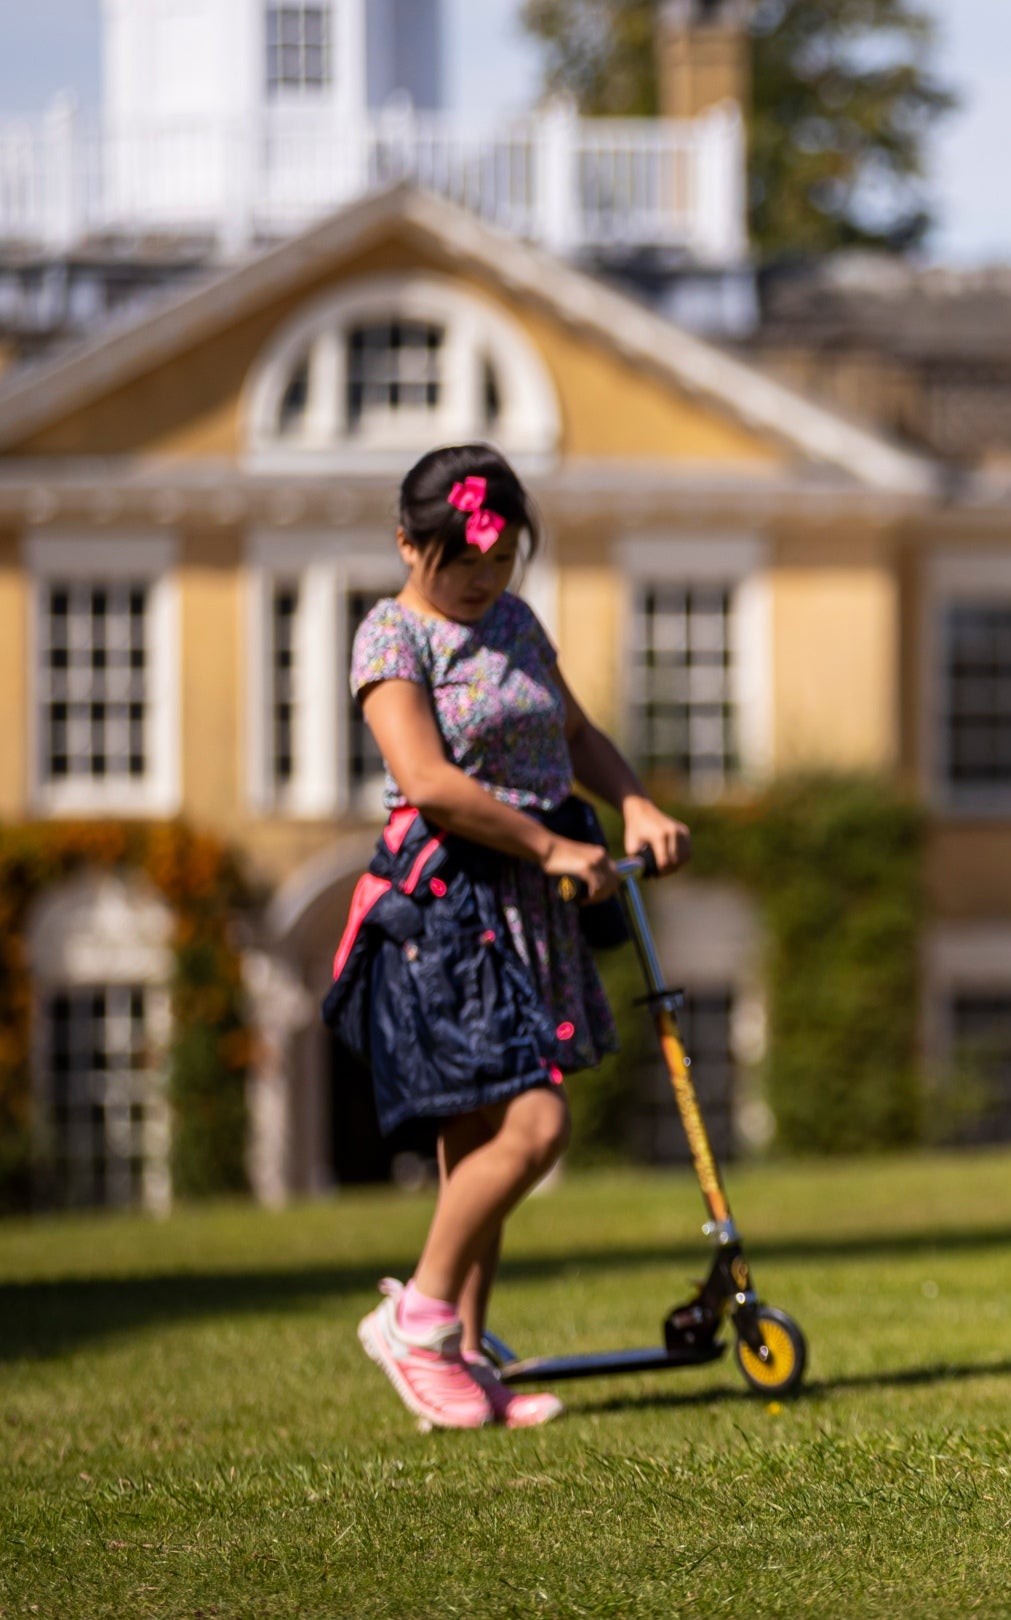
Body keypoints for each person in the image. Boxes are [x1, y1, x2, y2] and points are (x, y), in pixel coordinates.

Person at [327, 444, 691, 1431]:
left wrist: (636, 803)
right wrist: (544, 843)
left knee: (483, 1141)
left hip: (532, 903)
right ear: (409, 545)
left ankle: (466, 1361)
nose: (485, 582)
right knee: (535, 1128)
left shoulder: (518, 625)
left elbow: (574, 737)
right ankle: (419, 1324)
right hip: (448, 909)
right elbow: (431, 779)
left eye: (502, 560)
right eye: (464, 563)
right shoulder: (391, 638)